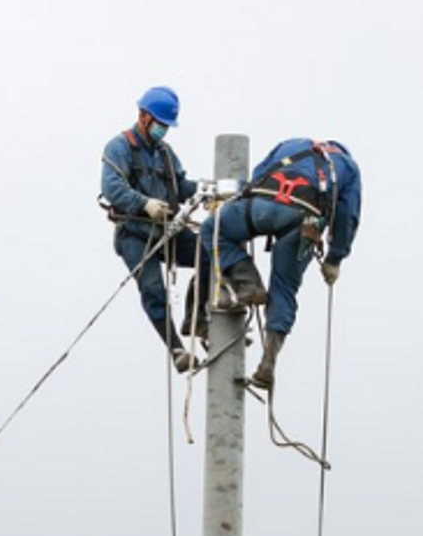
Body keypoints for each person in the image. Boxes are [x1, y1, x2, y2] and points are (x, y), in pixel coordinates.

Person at [199, 138, 362, 389]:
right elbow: (346, 216)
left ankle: (247, 282)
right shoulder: (347, 168)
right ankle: (268, 363)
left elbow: (257, 177)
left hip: (260, 206)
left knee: (212, 229)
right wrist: (334, 258)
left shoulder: (290, 145)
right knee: (284, 287)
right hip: (304, 222)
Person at [101, 86, 211, 372]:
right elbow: (112, 187)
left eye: (166, 126)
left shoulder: (165, 153)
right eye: (160, 124)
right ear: (143, 117)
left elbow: (180, 186)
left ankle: (196, 318)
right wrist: (144, 203)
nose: (163, 130)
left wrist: (205, 189)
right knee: (153, 288)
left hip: (168, 230)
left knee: (209, 253)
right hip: (134, 233)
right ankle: (176, 348)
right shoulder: (120, 147)